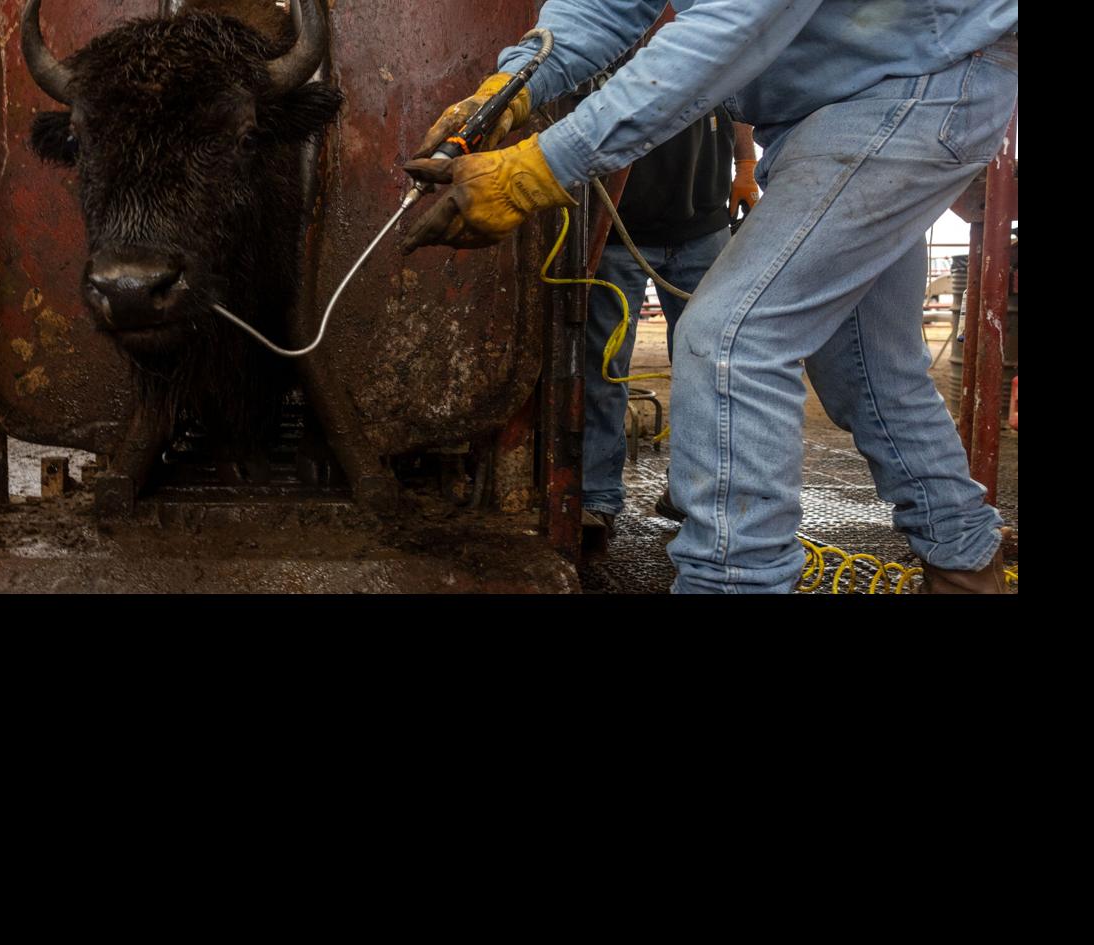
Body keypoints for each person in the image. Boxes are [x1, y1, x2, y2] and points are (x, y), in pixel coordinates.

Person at [401, 1, 1017, 593]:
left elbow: (737, 26)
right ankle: (965, 565)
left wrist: (542, 166)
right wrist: (513, 84)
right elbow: (603, 6)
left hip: (920, 79)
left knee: (732, 341)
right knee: (867, 365)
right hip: (843, 102)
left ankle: (733, 582)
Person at [577, 108, 758, 534]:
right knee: (604, 368)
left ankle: (692, 495)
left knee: (711, 370)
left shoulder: (716, 41)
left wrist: (746, 166)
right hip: (621, 228)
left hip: (704, 227)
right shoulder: (620, 47)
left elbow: (740, 103)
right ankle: (596, 497)